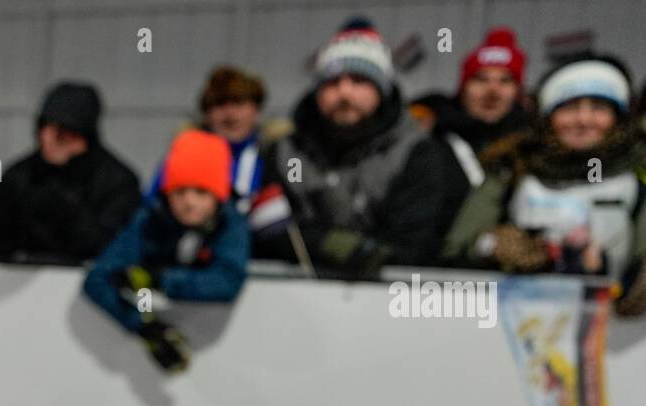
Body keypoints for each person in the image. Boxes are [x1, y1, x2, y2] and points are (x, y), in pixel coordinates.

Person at [254, 18, 462, 277]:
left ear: (382, 89)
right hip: (291, 299)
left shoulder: (418, 153)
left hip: (381, 302)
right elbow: (269, 232)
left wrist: (360, 251)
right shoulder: (285, 152)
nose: (344, 92)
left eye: (359, 80)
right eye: (331, 82)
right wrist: (329, 245)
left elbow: (412, 245)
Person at [442, 54, 646, 315]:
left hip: (611, 334)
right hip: (515, 322)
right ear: (548, 116)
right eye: (570, 108)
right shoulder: (512, 169)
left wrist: (637, 284)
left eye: (599, 107)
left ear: (617, 118)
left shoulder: (638, 174)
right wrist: (496, 245)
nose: (584, 120)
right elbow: (458, 244)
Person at [84, 130, 249, 373]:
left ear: (218, 194)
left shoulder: (230, 224)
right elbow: (99, 278)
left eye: (201, 192)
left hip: (230, 355)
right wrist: (141, 323)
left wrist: (160, 279)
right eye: (179, 191)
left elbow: (227, 280)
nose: (189, 202)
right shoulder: (149, 220)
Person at [0, 81, 140, 260]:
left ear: (83, 136)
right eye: (43, 127)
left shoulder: (118, 182)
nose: (47, 139)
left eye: (62, 133)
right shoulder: (18, 177)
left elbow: (108, 247)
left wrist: (61, 201)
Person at [410, 28, 532, 200]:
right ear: (464, 87)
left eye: (505, 81)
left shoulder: (531, 146)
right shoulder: (431, 129)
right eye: (481, 79)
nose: (493, 91)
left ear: (518, 92)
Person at [145, 66, 270, 222]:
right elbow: (151, 208)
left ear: (256, 109)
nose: (230, 115)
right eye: (220, 104)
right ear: (206, 114)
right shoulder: (184, 155)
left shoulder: (276, 155)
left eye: (239, 103)